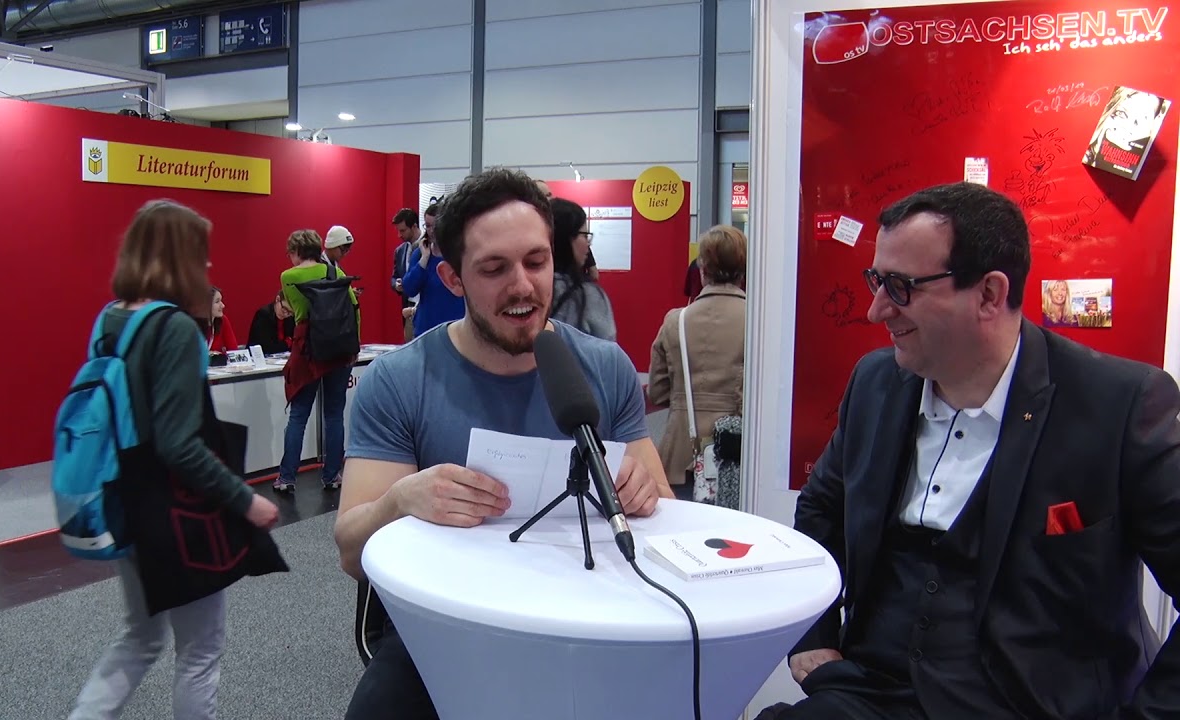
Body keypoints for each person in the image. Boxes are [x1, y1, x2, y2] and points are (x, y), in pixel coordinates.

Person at [760, 182, 1180, 720]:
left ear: (989, 294)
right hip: (871, 690)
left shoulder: (1118, 406)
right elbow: (823, 508)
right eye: (875, 281)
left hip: (1031, 703)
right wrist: (812, 635)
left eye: (900, 287)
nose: (875, 310)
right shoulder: (876, 384)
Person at [335, 167, 674, 720]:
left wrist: (645, 494)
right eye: (494, 269)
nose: (523, 286)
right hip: (441, 637)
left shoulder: (606, 368)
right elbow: (352, 553)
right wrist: (400, 502)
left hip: (586, 621)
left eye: (537, 262)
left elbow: (663, 510)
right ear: (452, 279)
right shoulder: (397, 381)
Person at [69, 200, 280, 720]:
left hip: (124, 497)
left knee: (140, 635)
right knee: (200, 651)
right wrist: (245, 501)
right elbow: (180, 444)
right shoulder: (176, 329)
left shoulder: (111, 319)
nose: (207, 268)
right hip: (179, 515)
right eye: (200, 256)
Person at [647, 224, 747, 488]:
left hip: (679, 454)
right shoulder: (757, 323)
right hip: (736, 453)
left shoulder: (675, 321)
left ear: (702, 270)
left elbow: (657, 392)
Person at [274, 227, 357, 493]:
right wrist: (353, 346)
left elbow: (292, 306)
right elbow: (354, 308)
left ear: (297, 251)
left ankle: (287, 479)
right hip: (339, 349)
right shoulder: (336, 273)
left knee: (298, 416)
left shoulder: (288, 276)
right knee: (334, 415)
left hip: (307, 348)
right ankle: (332, 476)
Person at [549, 198, 616, 340]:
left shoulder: (529, 288)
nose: (588, 244)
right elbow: (606, 349)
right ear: (566, 238)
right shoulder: (588, 295)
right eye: (584, 235)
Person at [402, 203, 465, 337]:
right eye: (428, 226)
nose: (432, 231)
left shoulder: (460, 254)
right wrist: (424, 260)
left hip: (456, 328)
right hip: (426, 330)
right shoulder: (420, 254)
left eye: (436, 226)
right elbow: (409, 288)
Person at [391, 208, 421, 342]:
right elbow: (394, 276)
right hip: (407, 307)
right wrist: (396, 284)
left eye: (402, 231)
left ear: (414, 226)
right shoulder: (400, 251)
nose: (399, 235)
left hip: (424, 306)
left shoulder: (431, 246)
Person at [206, 287, 239, 352]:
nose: (223, 305)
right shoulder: (192, 325)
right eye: (217, 301)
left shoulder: (223, 320)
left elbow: (233, 350)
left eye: (221, 301)